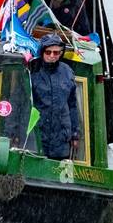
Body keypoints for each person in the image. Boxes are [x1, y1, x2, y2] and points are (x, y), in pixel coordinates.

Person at [31, 32, 80, 160]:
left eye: (56, 53)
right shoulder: (32, 71)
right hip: (37, 135)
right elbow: (20, 103)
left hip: (61, 136)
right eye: (48, 52)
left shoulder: (67, 72)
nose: (52, 56)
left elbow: (72, 105)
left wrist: (75, 134)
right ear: (42, 52)